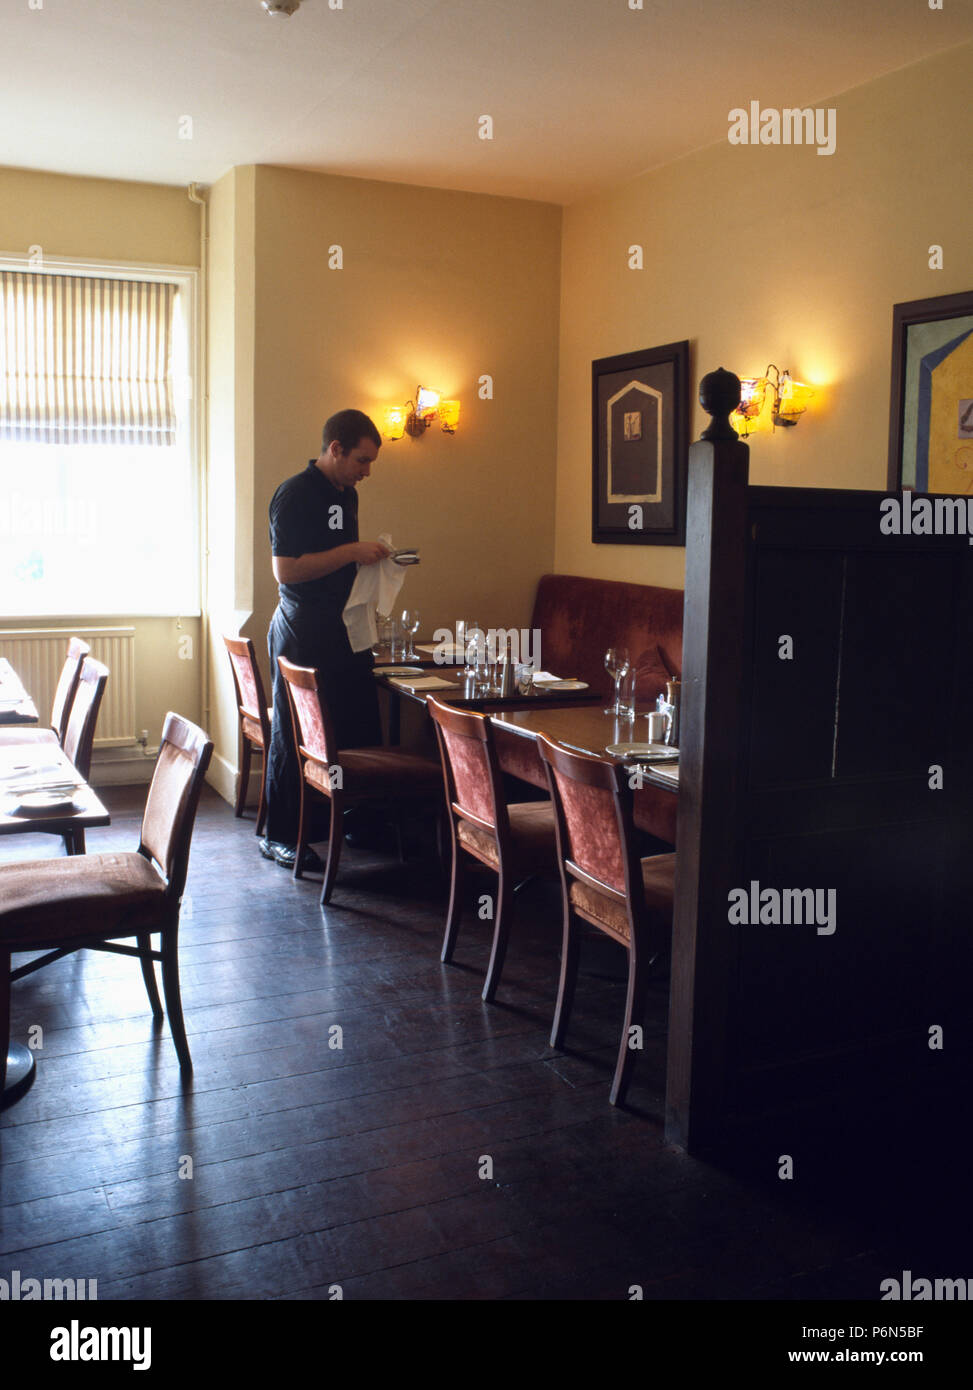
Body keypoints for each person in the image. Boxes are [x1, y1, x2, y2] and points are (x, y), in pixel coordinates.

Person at [261, 409, 389, 868]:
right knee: (297, 731)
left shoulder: (346, 494)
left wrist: (371, 560)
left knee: (357, 721)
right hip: (302, 628)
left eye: (371, 462)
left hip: (343, 627)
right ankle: (284, 836)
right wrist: (352, 551)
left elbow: (337, 562)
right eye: (361, 459)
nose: (366, 471)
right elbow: (287, 569)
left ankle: (355, 819)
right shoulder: (293, 495)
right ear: (334, 449)